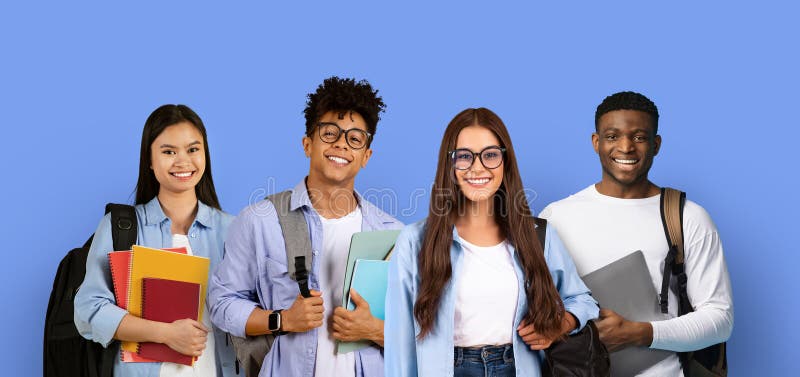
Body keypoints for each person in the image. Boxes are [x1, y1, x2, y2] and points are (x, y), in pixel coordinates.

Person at [208, 76, 402, 377]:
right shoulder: (259, 221)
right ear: (307, 143)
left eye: (355, 138)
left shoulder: (393, 234)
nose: (341, 143)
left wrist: (376, 330)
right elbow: (221, 303)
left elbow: (423, 332)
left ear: (366, 156)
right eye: (329, 133)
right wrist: (282, 320)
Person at [384, 108, 599, 377]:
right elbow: (400, 341)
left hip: (520, 368)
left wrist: (562, 324)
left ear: (505, 161)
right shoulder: (415, 241)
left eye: (490, 155)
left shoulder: (536, 235)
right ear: (449, 165)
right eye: (464, 156)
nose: (477, 167)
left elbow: (582, 300)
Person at [539, 91, 734, 376]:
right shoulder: (556, 217)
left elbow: (720, 318)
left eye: (639, 137)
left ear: (656, 145)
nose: (626, 147)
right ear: (596, 142)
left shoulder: (686, 217)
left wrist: (639, 333)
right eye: (612, 136)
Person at [74, 104, 237, 376]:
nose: (183, 161)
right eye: (168, 152)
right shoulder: (122, 228)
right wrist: (165, 334)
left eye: (193, 149)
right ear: (149, 160)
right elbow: (88, 311)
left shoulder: (233, 229)